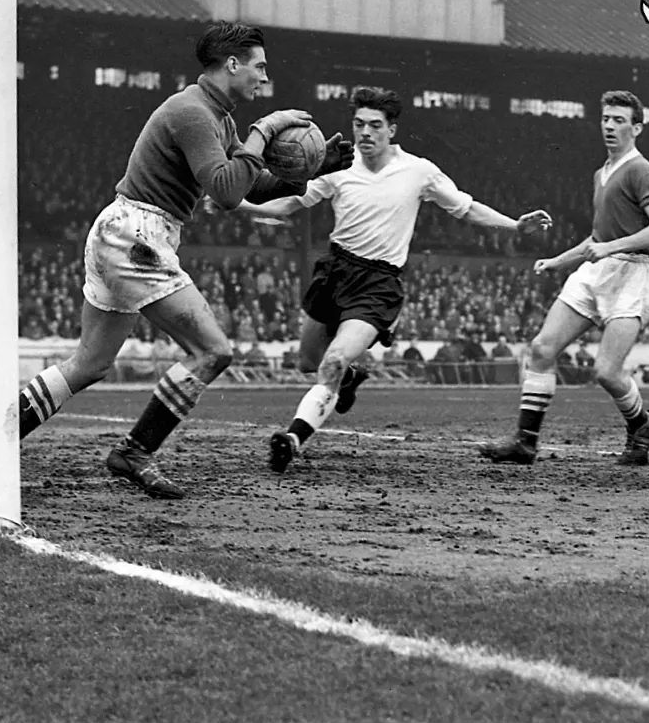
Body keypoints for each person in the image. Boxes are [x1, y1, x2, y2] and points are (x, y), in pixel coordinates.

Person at [0, 21, 350, 497]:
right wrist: (265, 129)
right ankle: (134, 452)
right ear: (232, 64)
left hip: (126, 232)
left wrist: (314, 168)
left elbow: (253, 182)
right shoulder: (192, 113)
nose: (264, 78)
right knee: (213, 351)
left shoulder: (215, 116)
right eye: (259, 66)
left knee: (89, 364)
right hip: (136, 236)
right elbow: (228, 194)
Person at [236, 86, 552, 473]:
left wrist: (515, 226)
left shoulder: (419, 171)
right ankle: (350, 378)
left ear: (391, 131)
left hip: (378, 283)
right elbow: (290, 204)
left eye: (374, 125)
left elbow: (466, 208)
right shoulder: (337, 168)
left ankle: (293, 439)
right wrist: (242, 205)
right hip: (335, 271)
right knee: (308, 361)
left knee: (333, 359)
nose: (364, 133)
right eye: (358, 125)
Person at [479, 90, 649, 466]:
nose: (609, 126)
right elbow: (597, 238)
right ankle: (524, 442)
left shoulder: (640, 170)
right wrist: (558, 261)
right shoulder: (601, 173)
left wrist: (609, 246)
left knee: (606, 372)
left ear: (637, 128)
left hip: (632, 273)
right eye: (605, 119)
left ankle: (642, 422)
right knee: (541, 349)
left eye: (619, 120)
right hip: (595, 270)